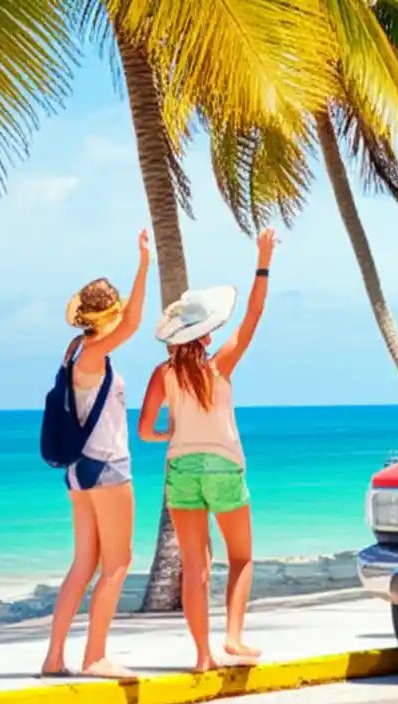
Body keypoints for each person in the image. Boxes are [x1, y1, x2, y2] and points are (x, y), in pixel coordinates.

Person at [137, 228, 275, 672]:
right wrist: (263, 260)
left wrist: (172, 437)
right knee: (241, 557)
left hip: (181, 468)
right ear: (207, 334)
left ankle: (202, 657)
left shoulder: (162, 374)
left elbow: (144, 431)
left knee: (194, 566)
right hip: (223, 467)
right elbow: (252, 316)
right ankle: (233, 638)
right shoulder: (220, 365)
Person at [41, 229, 150, 680]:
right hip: (106, 466)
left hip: (78, 471)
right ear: (106, 317)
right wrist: (144, 265)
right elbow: (134, 325)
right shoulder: (93, 352)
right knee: (118, 562)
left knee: (84, 563)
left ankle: (54, 658)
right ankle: (95, 656)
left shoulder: (75, 353)